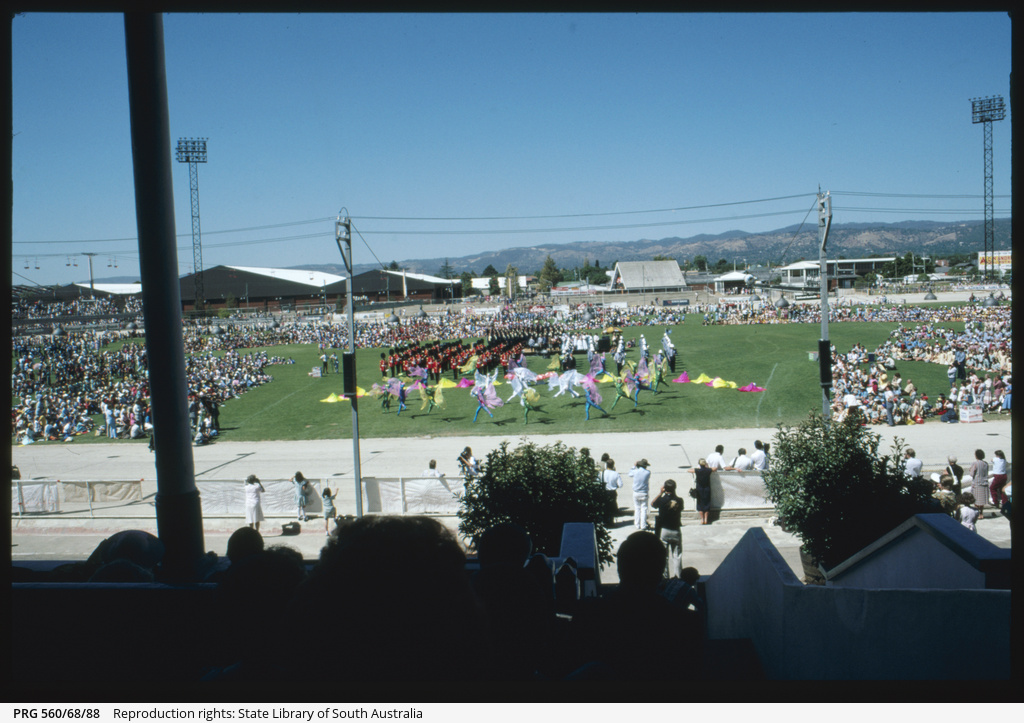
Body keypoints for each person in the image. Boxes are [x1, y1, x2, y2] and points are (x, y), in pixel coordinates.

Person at [651, 479, 684, 578]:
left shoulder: (661, 500)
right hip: (676, 530)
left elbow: (652, 504)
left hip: (664, 530)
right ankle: (678, 577)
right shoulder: (679, 500)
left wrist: (660, 493)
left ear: (664, 488)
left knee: (664, 557)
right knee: (677, 556)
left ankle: (665, 578)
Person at [628, 459, 651, 531]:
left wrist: (633, 466)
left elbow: (630, 474)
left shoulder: (635, 471)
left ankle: (637, 524)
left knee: (637, 508)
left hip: (636, 492)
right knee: (644, 509)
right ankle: (643, 525)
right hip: (644, 492)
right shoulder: (648, 472)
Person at [689, 458, 713, 525]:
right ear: (705, 464)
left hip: (699, 488)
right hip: (707, 488)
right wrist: (707, 466)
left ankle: (702, 519)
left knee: (700, 503)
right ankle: (706, 519)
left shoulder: (697, 471)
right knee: (707, 503)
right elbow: (715, 468)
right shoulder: (708, 470)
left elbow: (689, 470)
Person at [601, 459, 623, 526]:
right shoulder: (615, 474)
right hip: (612, 492)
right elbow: (620, 485)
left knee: (605, 507)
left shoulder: (602, 473)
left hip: (604, 492)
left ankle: (605, 521)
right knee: (612, 507)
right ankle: (610, 521)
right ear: (613, 465)